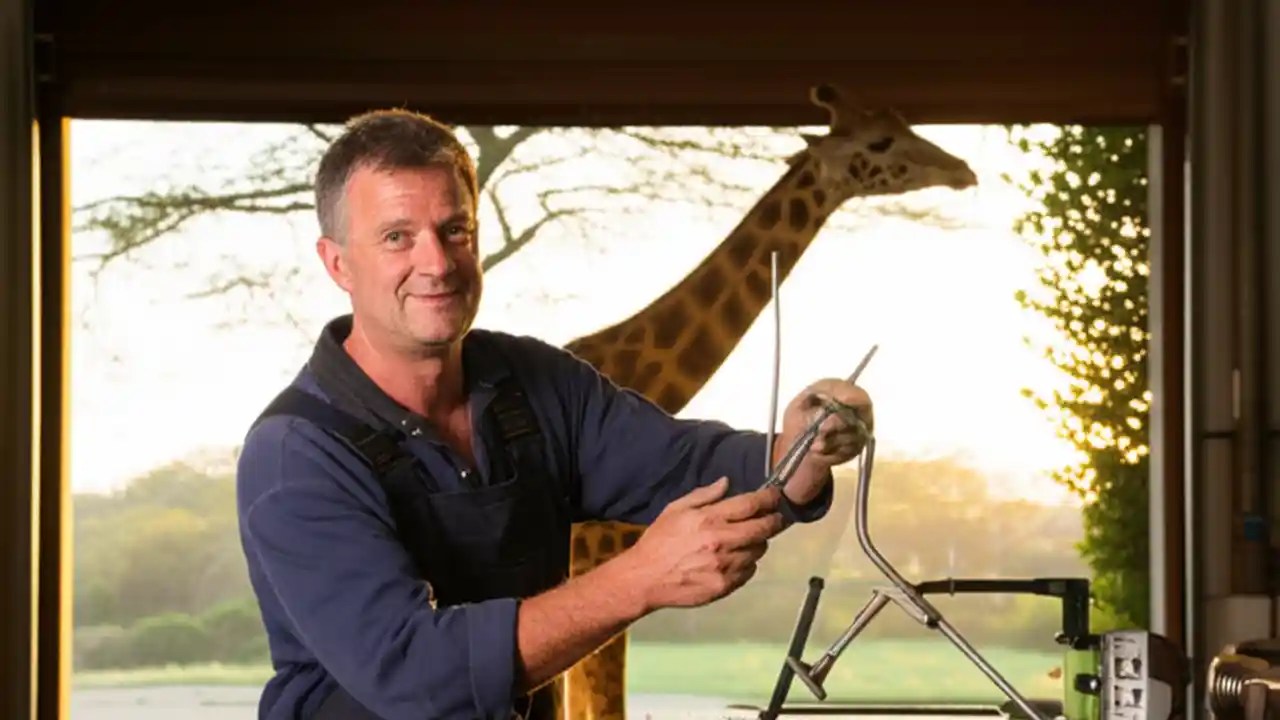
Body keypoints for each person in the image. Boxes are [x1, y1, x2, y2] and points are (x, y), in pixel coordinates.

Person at [235, 109, 874, 720]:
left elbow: (686, 466)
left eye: (455, 231)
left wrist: (802, 449)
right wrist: (636, 581)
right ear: (338, 263)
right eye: (397, 237)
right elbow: (414, 674)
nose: (437, 264)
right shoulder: (295, 454)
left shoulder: (535, 382)